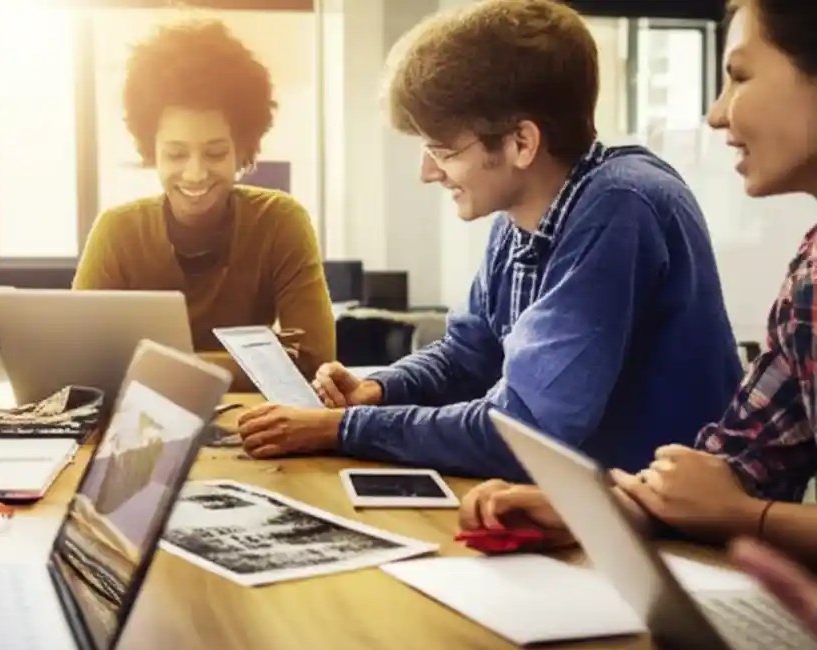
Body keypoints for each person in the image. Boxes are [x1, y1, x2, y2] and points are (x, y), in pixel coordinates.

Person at [238, 0, 742, 481]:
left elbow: (527, 429)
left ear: (522, 143)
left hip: (674, 534)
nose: (427, 172)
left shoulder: (621, 205)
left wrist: (344, 429)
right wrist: (377, 389)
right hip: (581, 509)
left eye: (442, 150)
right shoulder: (519, 215)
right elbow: (468, 354)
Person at [461, 0, 817, 566]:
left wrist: (749, 517)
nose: (716, 115)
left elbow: (735, 502)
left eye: (740, 76)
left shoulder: (622, 199)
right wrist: (597, 508)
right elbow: (742, 459)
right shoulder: (809, 274)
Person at [72, 19, 336, 386]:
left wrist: (152, 365)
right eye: (176, 154)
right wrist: (257, 364)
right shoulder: (117, 231)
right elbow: (79, 359)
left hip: (249, 427)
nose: (195, 174)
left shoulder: (280, 222)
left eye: (214, 153)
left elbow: (315, 361)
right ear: (152, 151)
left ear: (242, 149)